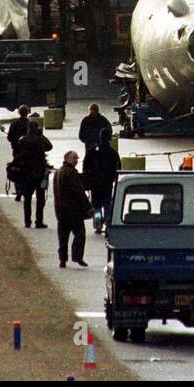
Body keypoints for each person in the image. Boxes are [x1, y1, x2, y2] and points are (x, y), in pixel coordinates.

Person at [79, 104, 118, 232]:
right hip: (107, 182)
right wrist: (113, 178)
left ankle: (97, 224)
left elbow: (85, 164)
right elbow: (118, 166)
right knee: (107, 203)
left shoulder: (92, 151)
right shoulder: (112, 152)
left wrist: (86, 177)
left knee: (96, 204)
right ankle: (107, 222)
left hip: (94, 181)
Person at [53, 150, 92, 268]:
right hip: (73, 211)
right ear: (67, 159)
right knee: (80, 233)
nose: (76, 160)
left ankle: (62, 259)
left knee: (63, 237)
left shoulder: (58, 172)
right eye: (74, 158)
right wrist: (88, 207)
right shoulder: (71, 173)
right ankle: (77, 257)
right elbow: (79, 192)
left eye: (77, 158)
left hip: (60, 210)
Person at [15, 121, 52, 228]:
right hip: (39, 172)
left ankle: (27, 221)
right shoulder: (39, 140)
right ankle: (38, 221)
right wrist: (41, 135)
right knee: (40, 199)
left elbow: (18, 152)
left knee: (27, 199)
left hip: (26, 172)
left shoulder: (23, 139)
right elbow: (49, 146)